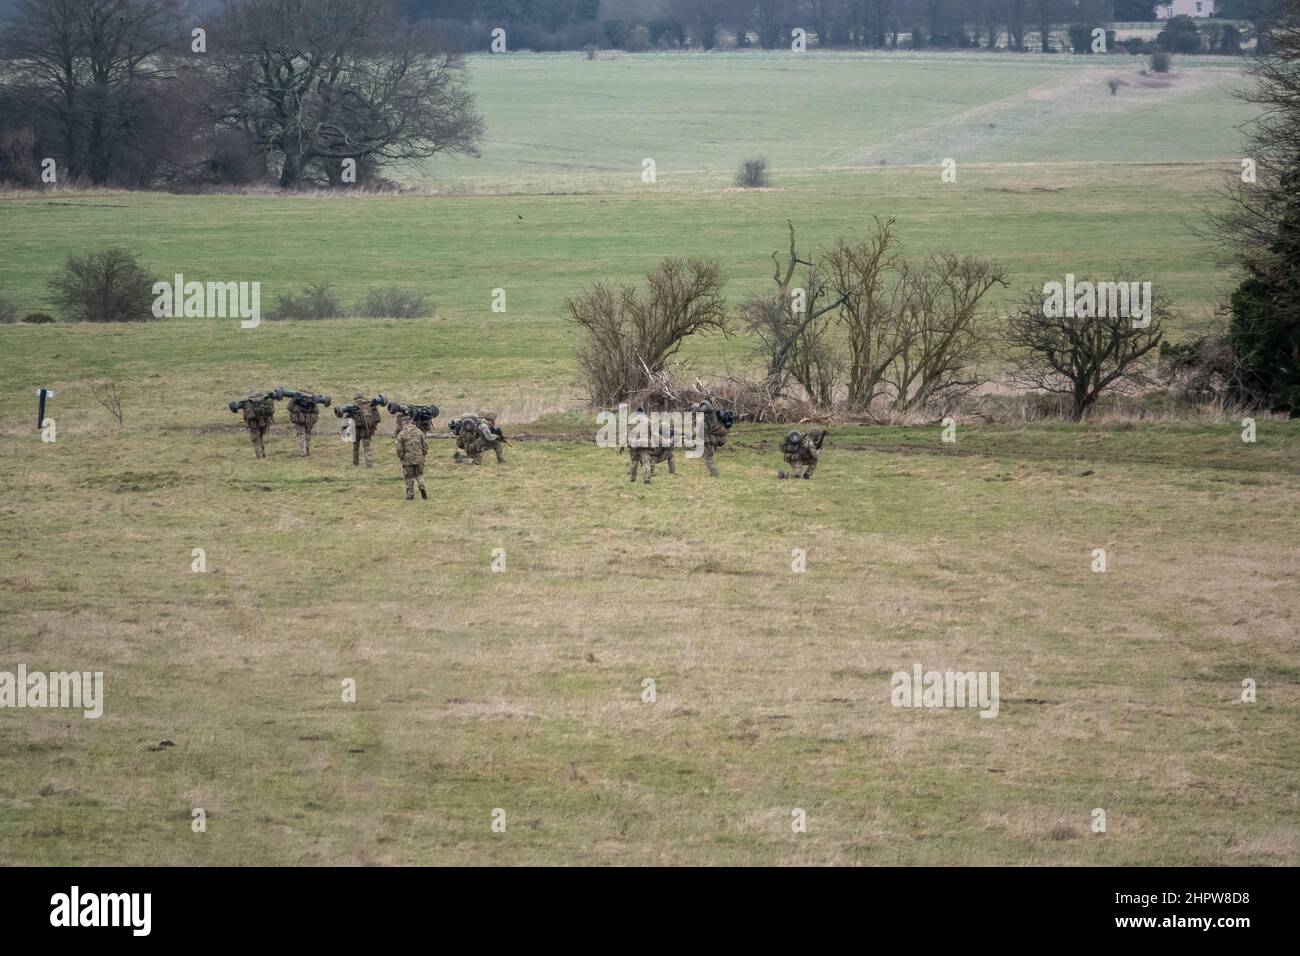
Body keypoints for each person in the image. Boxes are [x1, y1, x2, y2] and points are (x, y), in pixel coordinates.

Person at [394, 413, 428, 500]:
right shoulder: (419, 432)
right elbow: (425, 446)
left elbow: (399, 449)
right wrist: (422, 454)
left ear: (404, 422)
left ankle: (410, 494)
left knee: (409, 477)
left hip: (408, 459)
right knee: (419, 475)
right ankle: (422, 487)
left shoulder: (402, 434)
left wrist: (401, 457)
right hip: (419, 458)